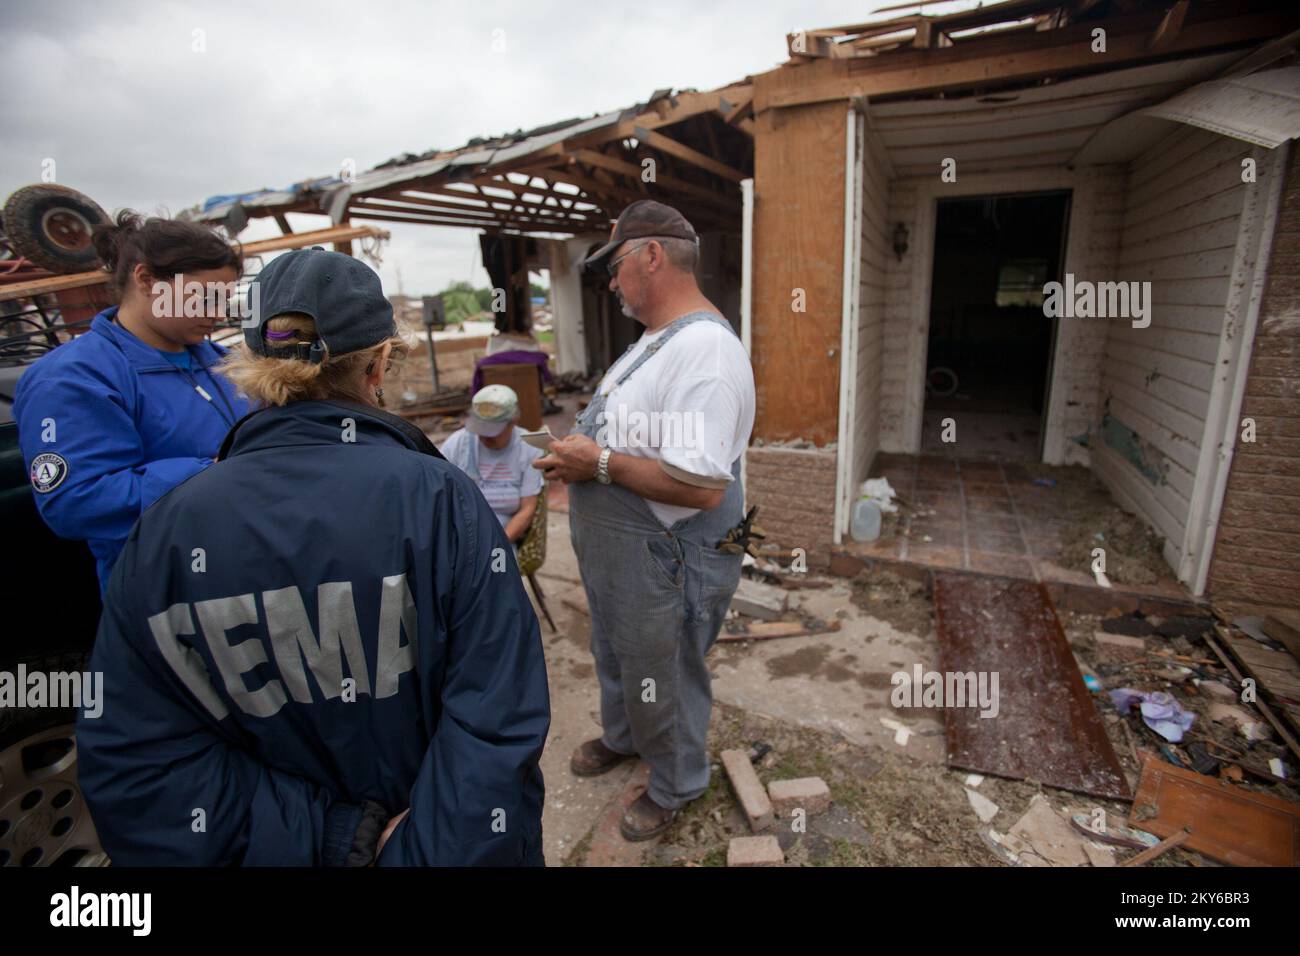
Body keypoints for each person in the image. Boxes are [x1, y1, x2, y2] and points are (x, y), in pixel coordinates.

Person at [76, 248, 550, 866]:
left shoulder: (166, 531)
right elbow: (497, 726)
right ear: (380, 362)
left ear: (250, 362)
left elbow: (136, 767)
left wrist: (321, 837)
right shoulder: (441, 502)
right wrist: (404, 850)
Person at [534, 200, 755, 841]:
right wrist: (574, 459)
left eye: (616, 265)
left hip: (668, 557)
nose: (610, 281)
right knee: (616, 653)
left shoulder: (706, 355)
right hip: (620, 557)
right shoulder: (656, 341)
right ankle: (627, 737)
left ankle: (677, 782)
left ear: (652, 256)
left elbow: (702, 486)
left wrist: (596, 462)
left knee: (665, 670)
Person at [13, 210, 249, 591]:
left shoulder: (221, 363)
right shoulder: (74, 378)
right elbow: (75, 500)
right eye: (203, 298)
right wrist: (215, 473)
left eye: (223, 299)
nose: (216, 314)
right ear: (146, 279)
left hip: (249, 571)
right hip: (164, 591)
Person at [439, 384, 545, 545]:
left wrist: (497, 544)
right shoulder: (458, 443)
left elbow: (527, 509)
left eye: (492, 430)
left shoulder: (528, 447)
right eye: (481, 428)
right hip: (460, 528)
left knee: (499, 566)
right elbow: (438, 495)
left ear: (513, 422)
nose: (484, 436)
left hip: (503, 530)